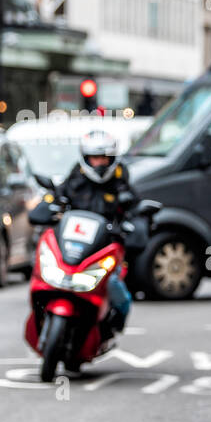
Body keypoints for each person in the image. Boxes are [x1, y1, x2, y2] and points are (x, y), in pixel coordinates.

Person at [59, 130, 139, 332]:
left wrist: (133, 222)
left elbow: (136, 210)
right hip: (78, 246)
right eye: (95, 158)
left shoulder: (121, 181)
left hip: (107, 248)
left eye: (104, 158)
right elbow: (58, 198)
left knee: (114, 285)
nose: (100, 163)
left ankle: (116, 321)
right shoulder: (75, 178)